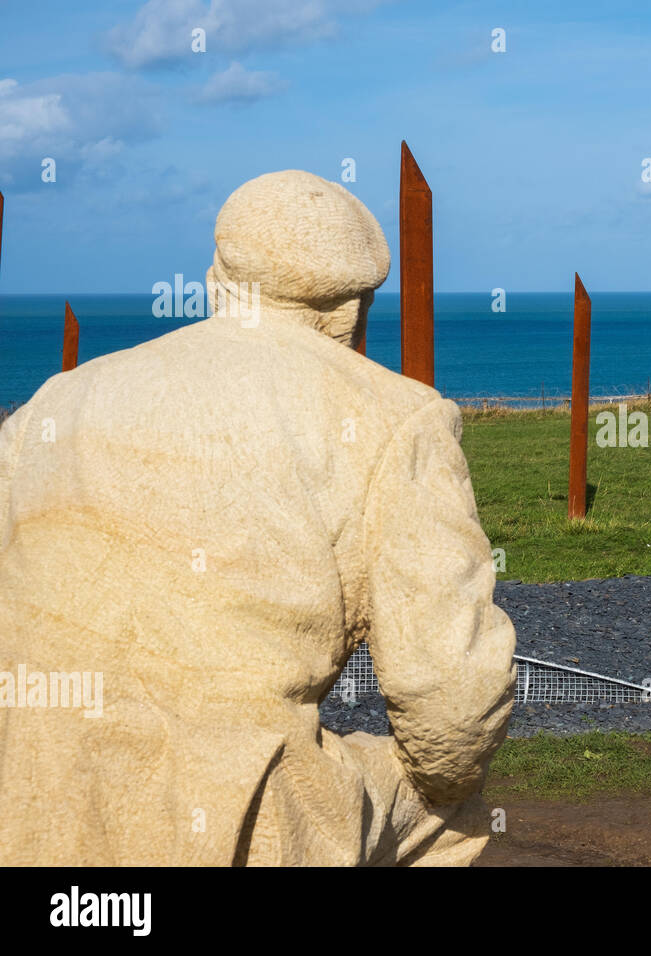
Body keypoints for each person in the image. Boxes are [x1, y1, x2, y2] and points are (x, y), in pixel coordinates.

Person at [0, 170, 516, 864]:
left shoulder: (53, 405)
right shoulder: (398, 420)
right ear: (351, 311)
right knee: (451, 812)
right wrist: (442, 781)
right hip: (239, 821)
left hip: (30, 801)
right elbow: (453, 705)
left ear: (218, 278)